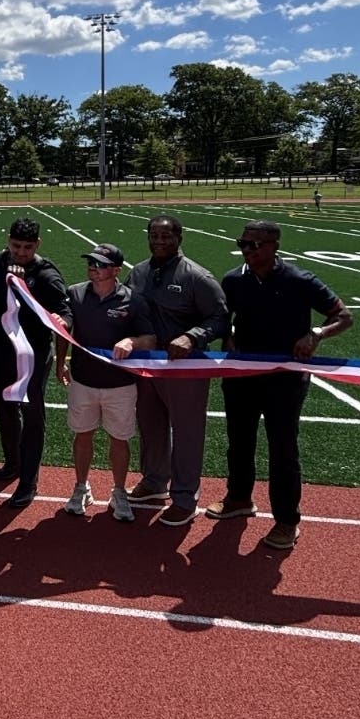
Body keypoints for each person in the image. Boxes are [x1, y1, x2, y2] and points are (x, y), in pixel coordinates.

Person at [205, 220, 352, 549]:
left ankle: (287, 520)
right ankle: (239, 498)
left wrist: (316, 334)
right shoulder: (233, 280)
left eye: (254, 245)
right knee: (239, 441)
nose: (247, 251)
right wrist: (227, 338)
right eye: (242, 243)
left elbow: (343, 316)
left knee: (282, 449)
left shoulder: (299, 280)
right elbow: (222, 319)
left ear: (274, 246)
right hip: (242, 375)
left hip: (284, 379)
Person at [125, 214, 229, 526]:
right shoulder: (139, 272)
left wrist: (191, 336)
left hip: (185, 369)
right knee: (151, 425)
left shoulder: (197, 277)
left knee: (187, 433)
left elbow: (221, 318)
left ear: (179, 238)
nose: (159, 241)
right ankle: (155, 482)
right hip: (147, 367)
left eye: (166, 236)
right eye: (154, 236)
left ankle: (185, 497)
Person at [54, 244, 156, 522]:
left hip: (120, 384)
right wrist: (59, 358)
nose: (94, 268)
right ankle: (81, 487)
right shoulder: (75, 293)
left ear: (116, 270)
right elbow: (65, 327)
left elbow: (150, 339)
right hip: (83, 380)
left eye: (100, 264)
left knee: (119, 439)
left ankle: (119, 491)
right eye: (91, 263)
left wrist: (131, 341)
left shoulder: (133, 300)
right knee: (83, 435)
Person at [0, 217, 72, 509]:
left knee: (31, 413)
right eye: (15, 245)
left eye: (27, 247)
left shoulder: (47, 275)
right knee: (4, 407)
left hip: (34, 355)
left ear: (37, 244)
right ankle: (12, 463)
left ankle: (28, 481)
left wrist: (61, 355)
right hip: (2, 350)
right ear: (8, 241)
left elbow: (65, 314)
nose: (20, 252)